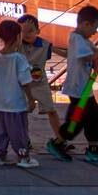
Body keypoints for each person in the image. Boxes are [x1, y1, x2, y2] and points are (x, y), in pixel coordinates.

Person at [46, 6, 98, 164]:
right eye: (95, 28)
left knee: (86, 118)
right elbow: (85, 57)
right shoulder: (77, 39)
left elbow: (92, 51)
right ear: (85, 24)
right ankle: (60, 143)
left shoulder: (83, 40)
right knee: (82, 120)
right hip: (79, 90)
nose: (95, 32)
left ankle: (89, 148)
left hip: (83, 90)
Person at [0, 19, 39, 167]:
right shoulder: (19, 58)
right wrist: (31, 99)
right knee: (18, 131)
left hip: (0, 102)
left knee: (1, 130)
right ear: (17, 37)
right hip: (16, 103)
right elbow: (25, 81)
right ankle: (23, 156)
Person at [17, 14, 64, 145]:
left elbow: (63, 53)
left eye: (30, 31)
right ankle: (23, 139)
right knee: (22, 113)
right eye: (22, 31)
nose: (26, 34)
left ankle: (60, 138)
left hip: (41, 84)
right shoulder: (17, 45)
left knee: (51, 110)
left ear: (38, 31)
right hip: (22, 85)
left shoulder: (45, 45)